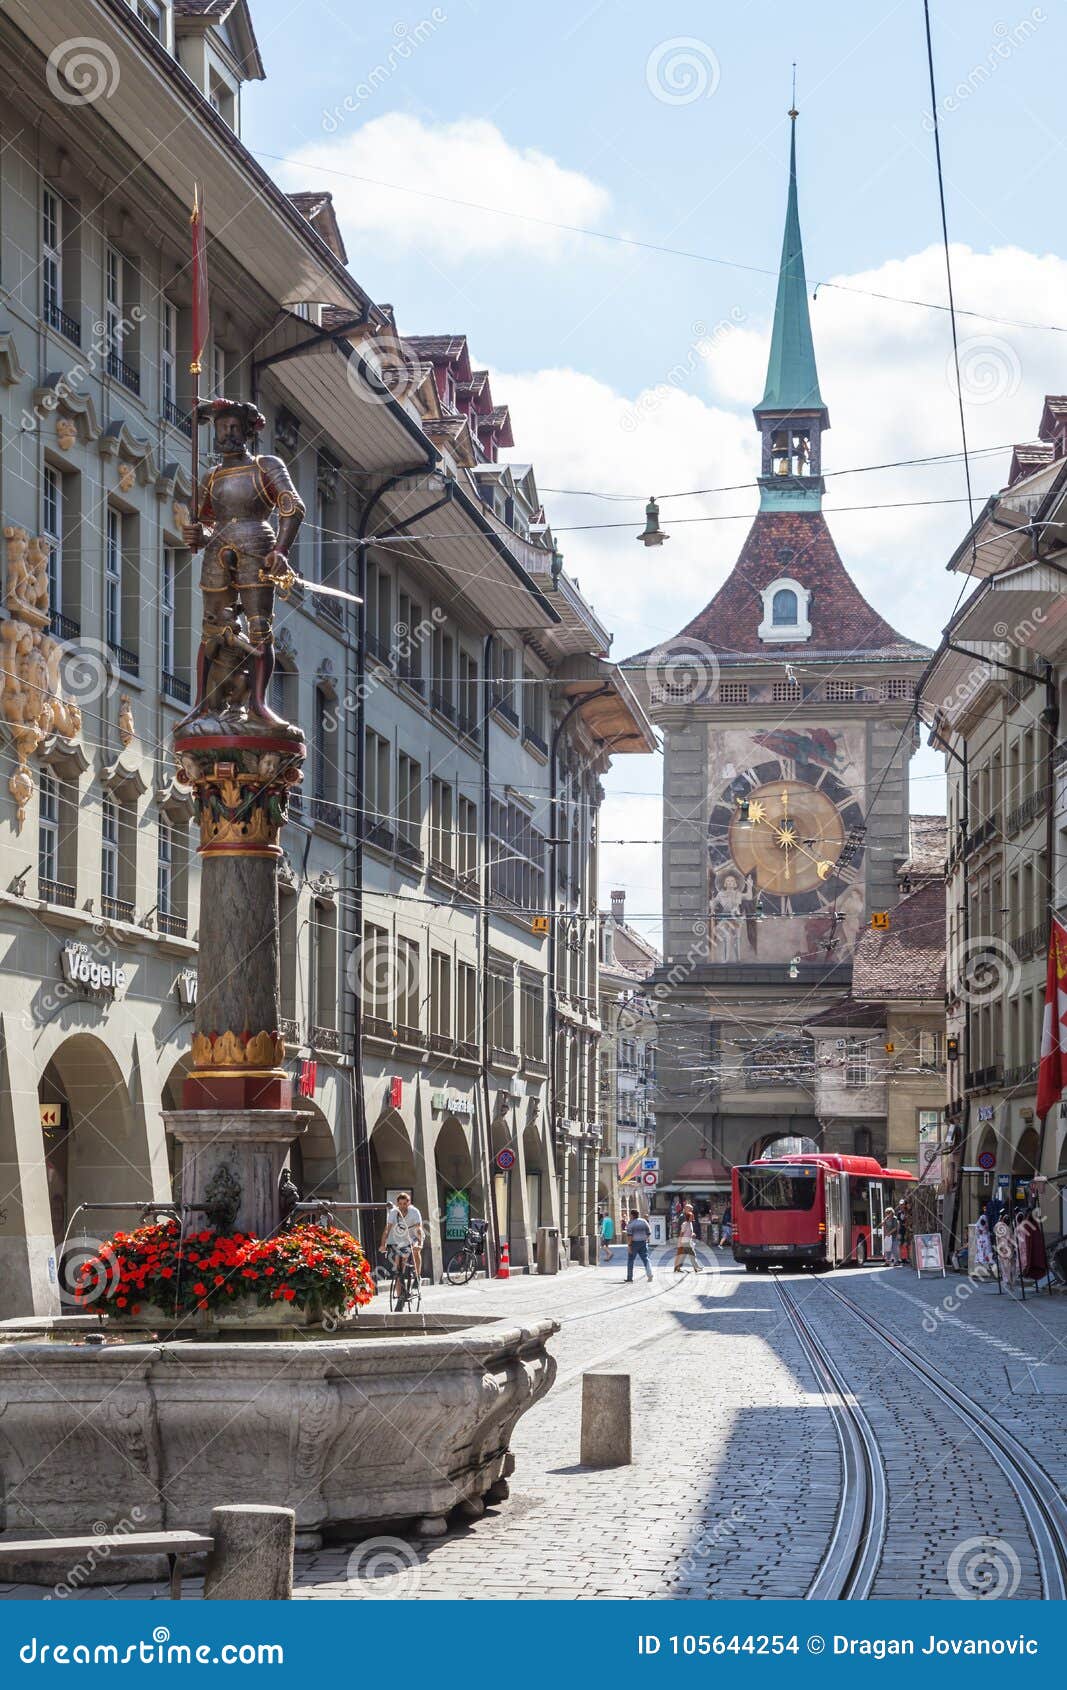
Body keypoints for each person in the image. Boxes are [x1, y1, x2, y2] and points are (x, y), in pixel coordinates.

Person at [379, 1191, 424, 1283]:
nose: (402, 1206)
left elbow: (419, 1229)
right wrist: (383, 1244)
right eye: (400, 1204)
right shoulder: (393, 1212)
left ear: (409, 1203)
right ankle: (401, 1278)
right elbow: (387, 1229)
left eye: (404, 1203)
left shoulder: (414, 1212)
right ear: (397, 1204)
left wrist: (420, 1244)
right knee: (399, 1260)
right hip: (399, 1239)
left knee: (415, 1251)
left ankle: (418, 1276)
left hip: (413, 1236)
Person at [625, 1209, 654, 1283]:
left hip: (634, 1243)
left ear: (632, 1215)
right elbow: (649, 1232)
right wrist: (645, 1240)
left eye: (630, 1214)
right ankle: (650, 1274)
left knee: (631, 1260)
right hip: (643, 1243)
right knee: (646, 1259)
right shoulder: (644, 1221)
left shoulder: (631, 1224)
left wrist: (629, 1245)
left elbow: (629, 1236)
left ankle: (629, 1277)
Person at [673, 1205, 700, 1274]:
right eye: (690, 1209)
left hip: (686, 1239)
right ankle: (695, 1267)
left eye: (692, 1209)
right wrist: (680, 1240)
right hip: (684, 1240)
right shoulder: (683, 1217)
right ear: (686, 1209)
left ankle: (678, 1267)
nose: (692, 1210)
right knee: (684, 1254)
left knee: (683, 1254)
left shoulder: (688, 1217)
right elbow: (682, 1230)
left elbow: (688, 1229)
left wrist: (692, 1233)